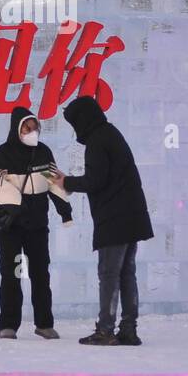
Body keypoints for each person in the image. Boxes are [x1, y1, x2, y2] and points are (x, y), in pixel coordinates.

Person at [55, 95, 154, 346]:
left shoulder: (98, 141)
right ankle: (128, 329)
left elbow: (95, 181)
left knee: (109, 273)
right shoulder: (110, 134)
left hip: (115, 217)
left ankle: (106, 330)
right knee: (126, 273)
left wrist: (66, 182)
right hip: (132, 215)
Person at [0, 106, 73, 340]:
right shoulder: (3, 153)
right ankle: (8, 325)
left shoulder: (44, 152)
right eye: (27, 127)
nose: (32, 131)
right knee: (12, 274)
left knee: (40, 274)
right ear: (17, 128)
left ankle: (44, 324)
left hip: (37, 227)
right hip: (11, 228)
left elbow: (54, 183)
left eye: (35, 127)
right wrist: (16, 206)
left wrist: (65, 210)